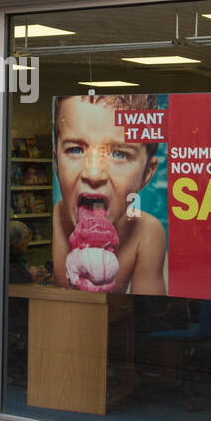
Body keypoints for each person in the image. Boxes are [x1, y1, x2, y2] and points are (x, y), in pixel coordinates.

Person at [50, 95, 166, 295]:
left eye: (120, 154)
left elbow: (149, 313)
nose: (93, 173)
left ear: (147, 173)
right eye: (76, 149)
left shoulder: (148, 232)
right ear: (56, 163)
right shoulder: (58, 217)